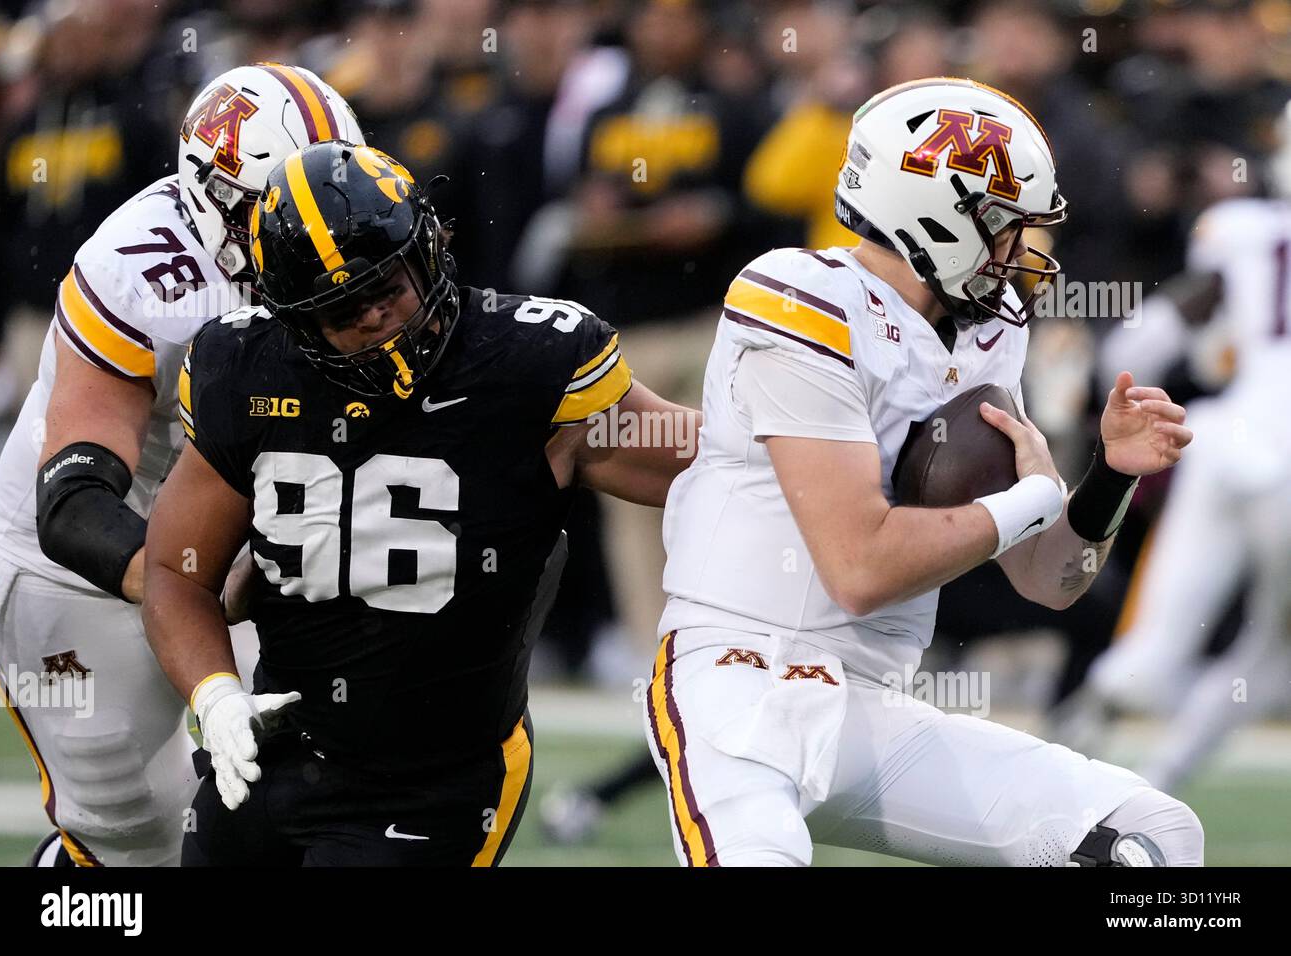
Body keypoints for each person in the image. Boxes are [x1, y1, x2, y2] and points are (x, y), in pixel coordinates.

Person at [646, 77, 1203, 867]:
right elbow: (861, 570)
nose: (1025, 253)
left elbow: (1051, 580)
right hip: (737, 687)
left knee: (1154, 834)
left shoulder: (982, 336)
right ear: (933, 214)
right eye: (1006, 228)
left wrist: (1111, 477)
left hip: (869, 705)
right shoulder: (797, 297)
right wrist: (1030, 498)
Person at [141, 140, 697, 866]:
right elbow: (177, 570)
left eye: (388, 286)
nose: (377, 318)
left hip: (434, 782)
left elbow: (714, 463)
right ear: (293, 319)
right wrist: (214, 694)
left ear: (429, 246)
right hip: (278, 754)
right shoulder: (244, 370)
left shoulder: (529, 365)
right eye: (343, 309)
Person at [0, 63, 361, 867]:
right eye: (284, 207)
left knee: (286, 798)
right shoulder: (139, 270)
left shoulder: (364, 247)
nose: (322, 229)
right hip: (81, 566)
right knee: (137, 831)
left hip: (240, 530)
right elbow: (75, 502)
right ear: (216, 199)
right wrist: (186, 584)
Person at [1053, 100, 1291, 792]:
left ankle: (1075, 751)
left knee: (1153, 646)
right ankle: (1156, 780)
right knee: (1274, 650)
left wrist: (1117, 416)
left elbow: (1140, 342)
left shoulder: (1241, 231)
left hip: (1225, 442)